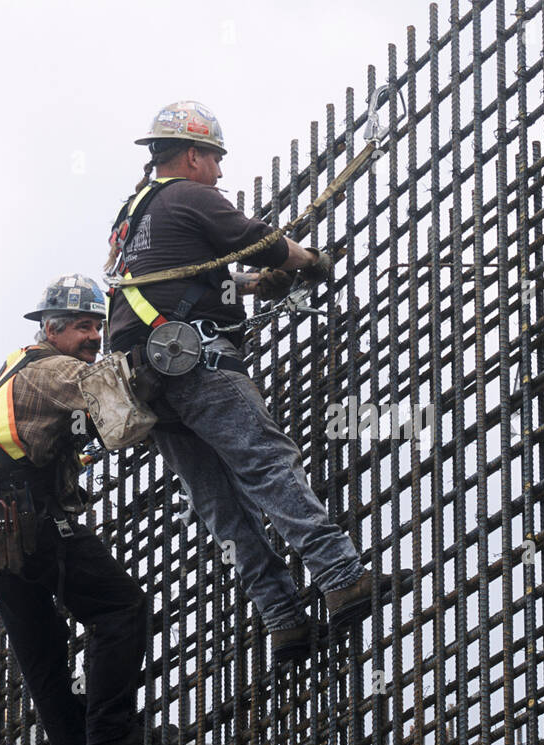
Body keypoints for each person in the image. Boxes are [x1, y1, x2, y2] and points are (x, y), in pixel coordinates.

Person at [104, 100, 408, 669]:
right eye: (215, 159)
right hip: (196, 362)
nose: (220, 172)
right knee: (268, 464)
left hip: (145, 379)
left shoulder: (130, 220)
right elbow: (262, 242)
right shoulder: (191, 195)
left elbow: (183, 278)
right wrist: (308, 261)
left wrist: (246, 287)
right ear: (193, 156)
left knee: (221, 507)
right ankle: (342, 577)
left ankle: (285, 621)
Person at [0, 273, 168, 745]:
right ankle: (113, 738)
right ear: (50, 328)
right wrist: (160, 357)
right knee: (120, 609)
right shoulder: (53, 369)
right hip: (33, 523)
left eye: (97, 325)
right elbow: (114, 399)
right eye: (80, 326)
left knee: (43, 656)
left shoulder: (11, 371)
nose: (93, 337)